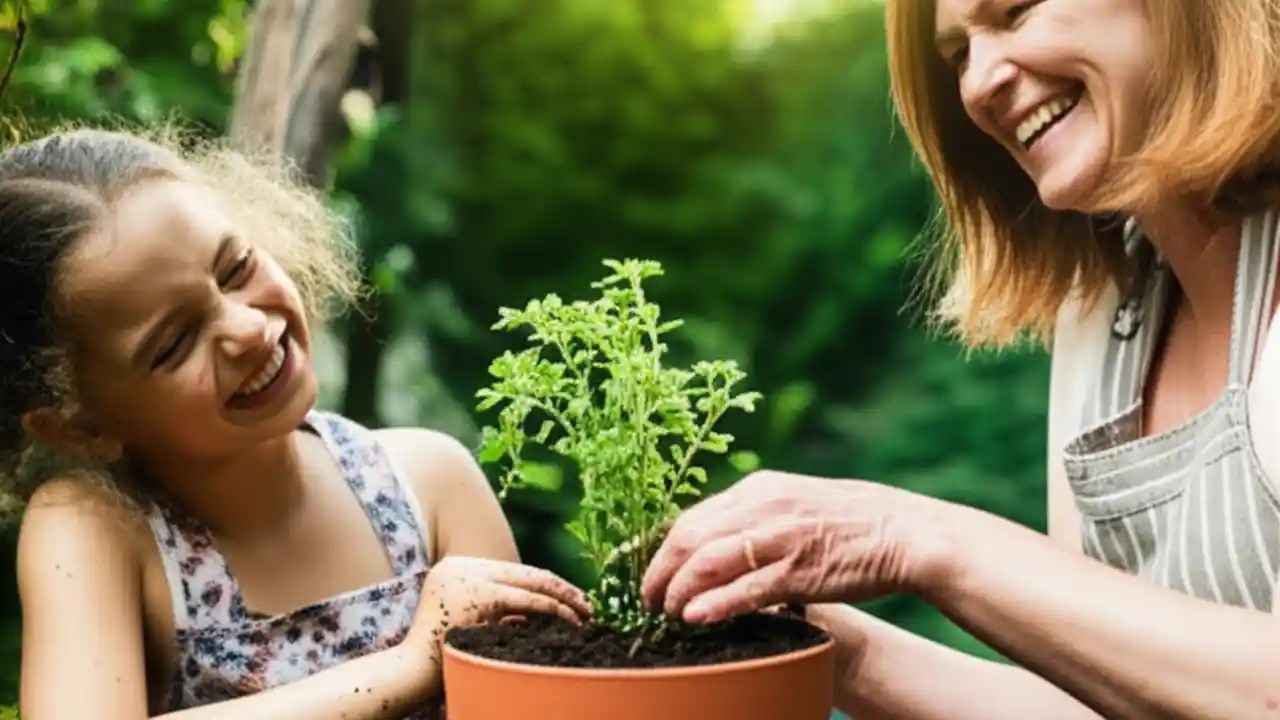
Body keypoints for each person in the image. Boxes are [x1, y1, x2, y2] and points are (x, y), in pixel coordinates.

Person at [642, 1, 1280, 718]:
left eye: (1015, 11)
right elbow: (1109, 705)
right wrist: (817, 646)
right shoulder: (1108, 312)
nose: (977, 85)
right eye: (957, 56)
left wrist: (915, 538)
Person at [4, 128, 591, 719]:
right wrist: (413, 663)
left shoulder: (431, 486)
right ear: (80, 427)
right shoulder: (98, 527)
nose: (249, 329)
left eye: (235, 268)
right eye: (176, 342)